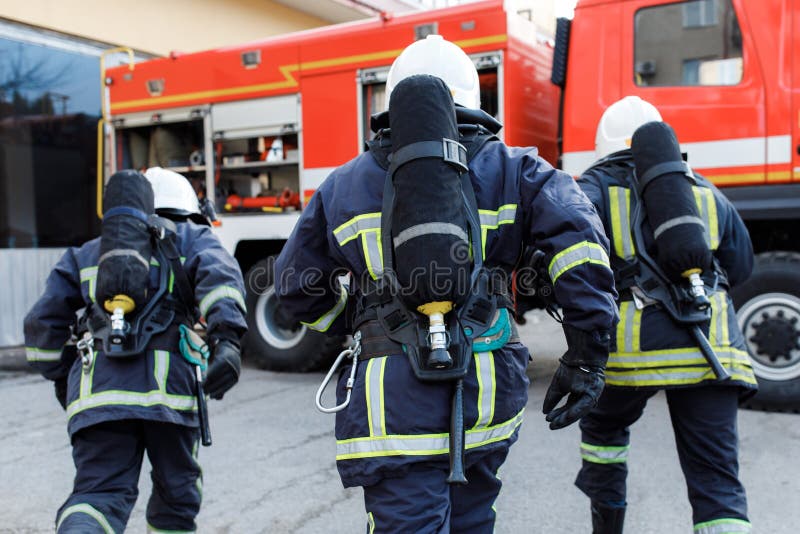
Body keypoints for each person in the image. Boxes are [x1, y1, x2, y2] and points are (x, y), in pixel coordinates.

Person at [275, 35, 618, 533]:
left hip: (390, 410)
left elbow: (292, 288)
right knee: (474, 520)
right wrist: (587, 348)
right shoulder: (517, 169)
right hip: (487, 399)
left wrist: (362, 320)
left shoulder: (344, 184)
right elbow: (582, 240)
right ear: (472, 102)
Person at [24, 167, 247, 533]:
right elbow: (222, 280)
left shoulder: (86, 254)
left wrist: (63, 374)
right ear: (187, 207)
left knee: (98, 494)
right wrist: (228, 340)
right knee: (177, 496)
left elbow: (41, 328)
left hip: (99, 397)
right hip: (169, 398)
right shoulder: (193, 237)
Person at [574, 96, 757, 533]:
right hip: (711, 350)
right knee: (717, 481)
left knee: (604, 434)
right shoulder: (703, 189)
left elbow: (573, 270)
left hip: (628, 356)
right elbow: (742, 266)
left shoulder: (591, 190)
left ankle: (607, 523)